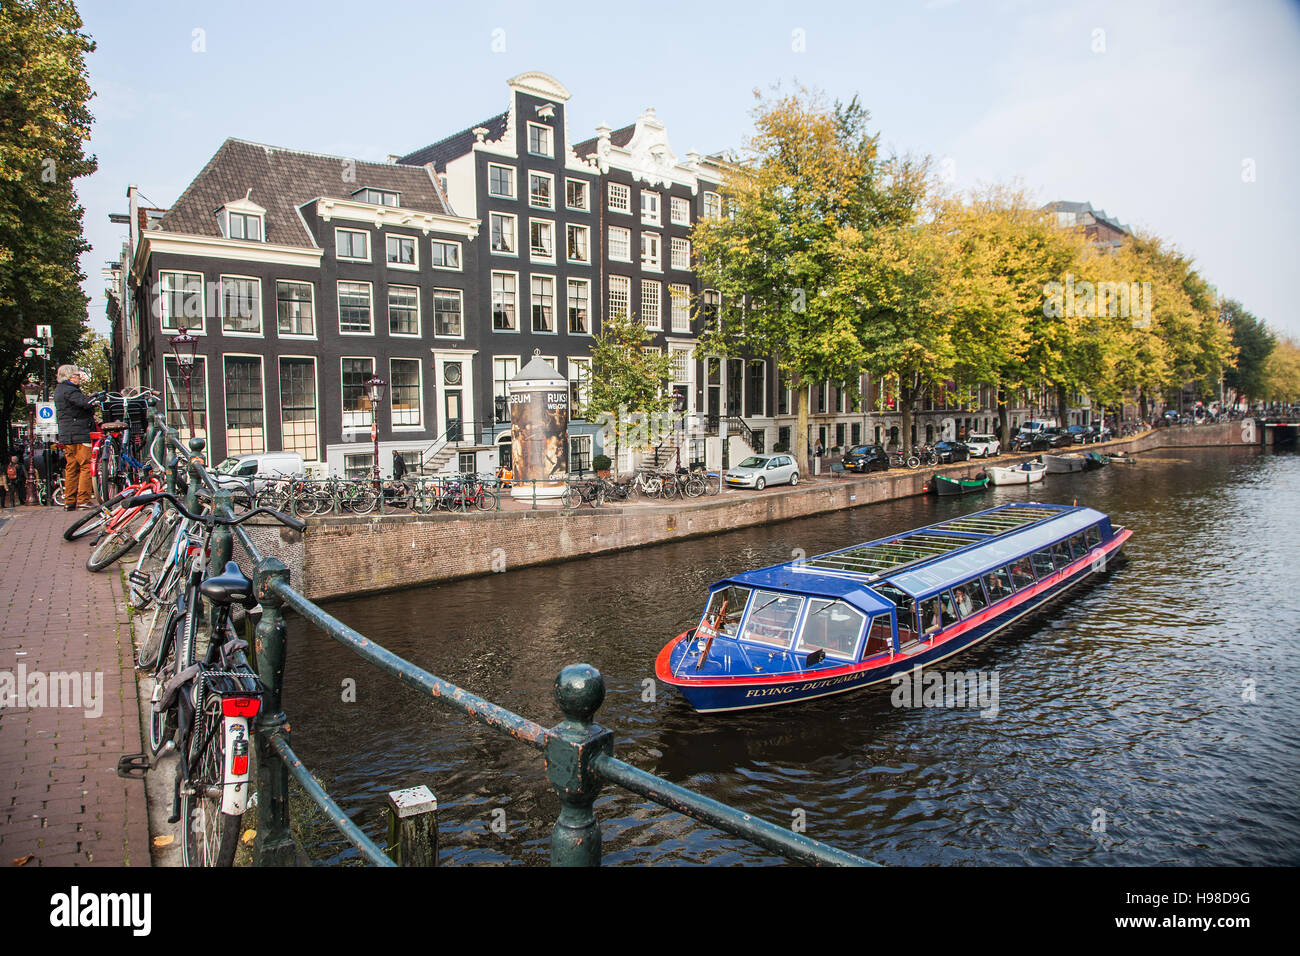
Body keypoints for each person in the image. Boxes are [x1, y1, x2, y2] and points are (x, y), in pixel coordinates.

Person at [53, 365, 97, 510]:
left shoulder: (58, 390)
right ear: (70, 377)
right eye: (77, 375)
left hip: (67, 434)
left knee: (71, 467)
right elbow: (84, 404)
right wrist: (93, 399)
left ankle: (69, 501)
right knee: (85, 465)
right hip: (79, 433)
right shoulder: (70, 390)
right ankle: (83, 499)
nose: (79, 377)